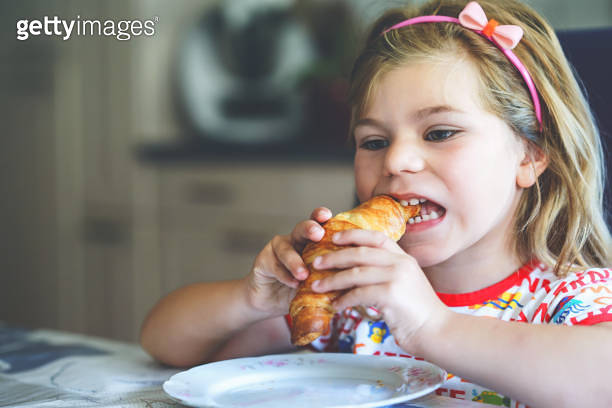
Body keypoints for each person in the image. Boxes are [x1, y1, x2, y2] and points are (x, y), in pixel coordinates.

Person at [140, 0, 612, 406]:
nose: (398, 160)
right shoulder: (353, 294)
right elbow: (165, 343)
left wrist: (433, 326)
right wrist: (251, 299)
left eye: (440, 132)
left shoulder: (570, 297)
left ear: (529, 156)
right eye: (373, 141)